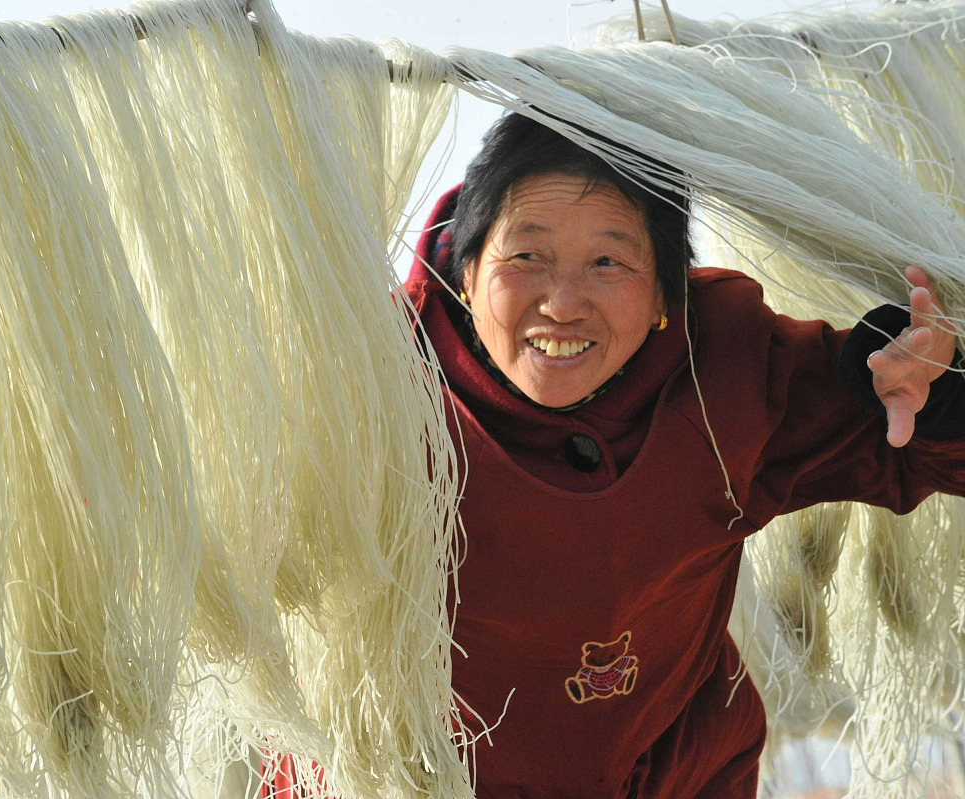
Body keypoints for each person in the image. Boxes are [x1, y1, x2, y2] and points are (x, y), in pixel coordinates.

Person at [270, 111, 965, 798]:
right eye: (527, 256)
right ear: (467, 271)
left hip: (674, 777)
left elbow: (924, 451)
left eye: (608, 262)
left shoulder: (725, 373)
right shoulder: (371, 385)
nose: (563, 304)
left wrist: (932, 386)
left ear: (665, 294)